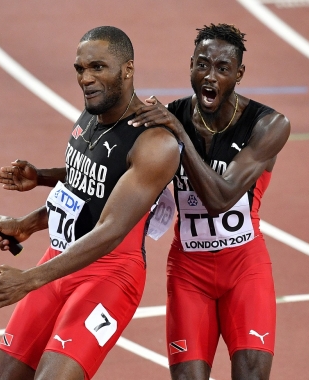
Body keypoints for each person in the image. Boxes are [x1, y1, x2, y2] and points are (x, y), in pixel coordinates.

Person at [0, 26, 180, 380]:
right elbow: (87, 184)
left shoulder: (155, 143)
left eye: (98, 67)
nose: (86, 78)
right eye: (80, 69)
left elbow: (110, 230)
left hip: (109, 274)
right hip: (60, 260)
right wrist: (29, 219)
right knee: (6, 376)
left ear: (127, 69)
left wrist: (29, 280)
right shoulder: (92, 115)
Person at [128, 23, 291, 380]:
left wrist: (179, 134)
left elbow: (222, 198)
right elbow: (110, 173)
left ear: (239, 74)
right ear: (190, 65)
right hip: (189, 273)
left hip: (245, 270)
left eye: (222, 68)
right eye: (202, 64)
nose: (210, 77)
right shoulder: (169, 119)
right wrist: (41, 177)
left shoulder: (269, 125)